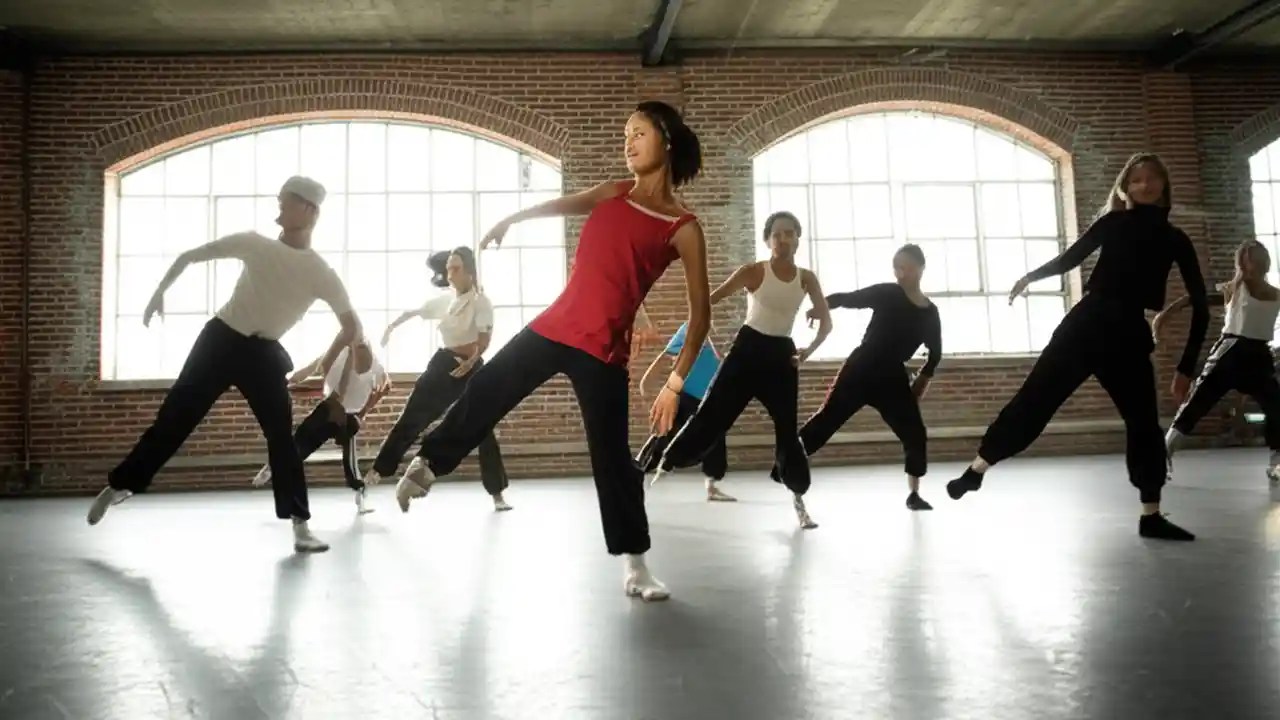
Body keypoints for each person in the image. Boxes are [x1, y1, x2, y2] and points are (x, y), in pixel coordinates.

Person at [393, 100, 710, 602]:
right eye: (625, 134)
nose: (628, 143)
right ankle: (428, 463)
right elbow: (562, 204)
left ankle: (635, 565)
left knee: (612, 460)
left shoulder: (683, 227)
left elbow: (701, 315)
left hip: (604, 350)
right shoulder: (614, 192)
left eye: (639, 133)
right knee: (489, 387)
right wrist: (511, 218)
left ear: (666, 141)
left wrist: (675, 384)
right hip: (556, 325)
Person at [88, 176, 362, 553]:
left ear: (309, 210)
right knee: (175, 418)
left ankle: (300, 526)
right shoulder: (255, 243)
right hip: (219, 342)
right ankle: (119, 485)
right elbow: (189, 256)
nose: (278, 208)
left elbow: (352, 327)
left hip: (263, 355)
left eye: (285, 202)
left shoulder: (321, 272)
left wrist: (323, 365)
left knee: (281, 439)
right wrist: (158, 293)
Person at [944, 153, 1209, 541]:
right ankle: (977, 470)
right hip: (1085, 326)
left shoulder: (1175, 239)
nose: (1145, 185)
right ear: (1125, 187)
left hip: (1128, 334)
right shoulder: (1111, 223)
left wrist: (1186, 367)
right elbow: (1069, 259)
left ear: (1164, 185)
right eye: (1136, 179)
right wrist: (1030, 277)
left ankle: (1151, 515)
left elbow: (1201, 306)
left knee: (1143, 423)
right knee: (1036, 397)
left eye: (1152, 178)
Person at [654, 211, 832, 530]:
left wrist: (808, 352)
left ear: (797, 238)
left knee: (788, 431)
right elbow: (709, 301)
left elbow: (826, 324)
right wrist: (695, 329)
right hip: (747, 351)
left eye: (789, 233)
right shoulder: (753, 272)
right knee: (712, 414)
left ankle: (799, 501)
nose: (783, 239)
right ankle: (663, 462)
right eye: (777, 234)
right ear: (768, 240)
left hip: (781, 356)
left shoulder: (807, 278)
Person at [367, 247, 512, 511]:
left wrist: (471, 360)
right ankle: (378, 471)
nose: (450, 274)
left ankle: (497, 493)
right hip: (443, 366)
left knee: (483, 428)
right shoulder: (447, 301)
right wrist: (391, 327)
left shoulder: (481, 302)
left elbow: (483, 341)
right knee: (412, 417)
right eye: (448, 269)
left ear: (470, 272)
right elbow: (414, 312)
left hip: (472, 369)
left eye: (456, 268)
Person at [798, 244, 942, 511]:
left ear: (921, 268)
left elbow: (936, 353)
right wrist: (820, 306)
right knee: (827, 420)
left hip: (892, 377)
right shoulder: (888, 293)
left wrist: (923, 380)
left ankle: (914, 495)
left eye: (906, 267)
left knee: (914, 433)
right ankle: (787, 461)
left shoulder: (929, 313)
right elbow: (849, 298)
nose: (901, 273)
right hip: (861, 368)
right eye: (897, 268)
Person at [1156, 239, 1280, 485]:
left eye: (1253, 258)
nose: (1249, 264)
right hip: (1230, 352)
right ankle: (1163, 453)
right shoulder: (1235, 287)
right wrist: (1165, 314)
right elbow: (1196, 299)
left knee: (1276, 407)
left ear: (1263, 263)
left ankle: (1276, 462)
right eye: (1245, 259)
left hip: (1259, 356)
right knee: (1198, 402)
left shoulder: (1276, 294)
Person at [251, 338, 391, 515]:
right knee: (303, 440)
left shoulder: (375, 366)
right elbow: (310, 369)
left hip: (349, 417)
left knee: (350, 461)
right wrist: (287, 382)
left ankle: (360, 495)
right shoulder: (337, 354)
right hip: (330, 409)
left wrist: (363, 413)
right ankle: (274, 466)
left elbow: (385, 387)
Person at [635, 322, 734, 502]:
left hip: (709, 399)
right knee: (666, 437)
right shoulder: (689, 329)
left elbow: (719, 362)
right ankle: (636, 472)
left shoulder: (714, 337)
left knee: (715, 443)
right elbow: (665, 356)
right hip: (688, 397)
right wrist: (646, 383)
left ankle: (712, 488)